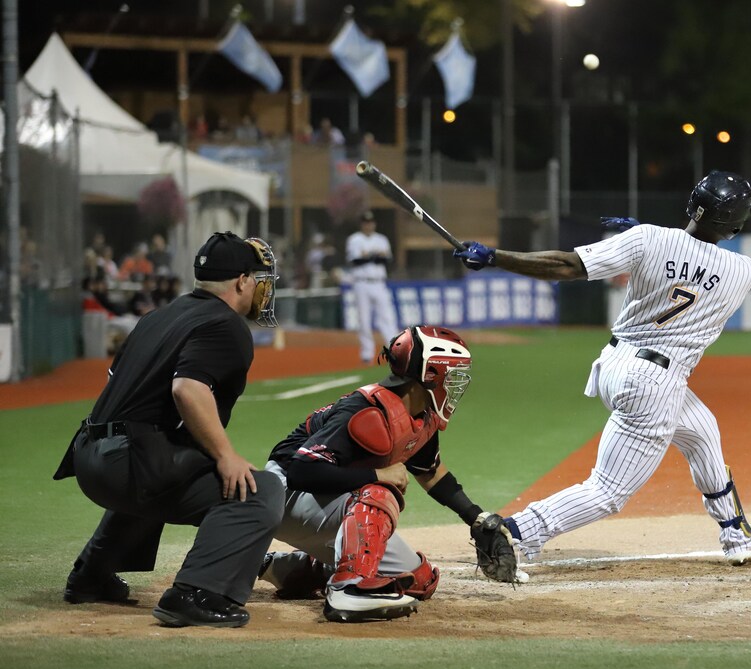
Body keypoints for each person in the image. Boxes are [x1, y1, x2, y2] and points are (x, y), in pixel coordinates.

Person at [453, 170, 751, 569]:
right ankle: (512, 531)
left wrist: (495, 257)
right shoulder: (741, 271)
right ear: (733, 225)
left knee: (702, 432)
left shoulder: (647, 239)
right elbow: (686, 258)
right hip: (655, 381)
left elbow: (565, 266)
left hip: (615, 363)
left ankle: (736, 535)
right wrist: (645, 237)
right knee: (608, 490)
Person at [55, 232, 284, 628]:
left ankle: (91, 575)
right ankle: (196, 592)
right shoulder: (225, 324)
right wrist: (226, 456)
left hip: (89, 458)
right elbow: (187, 389)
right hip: (126, 463)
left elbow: (118, 381)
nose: (262, 286)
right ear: (241, 281)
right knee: (259, 490)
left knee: (168, 466)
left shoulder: (158, 317)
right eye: (257, 277)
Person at [258, 325, 512, 622]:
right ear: (430, 374)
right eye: (453, 374)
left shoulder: (420, 413)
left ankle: (290, 570)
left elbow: (430, 473)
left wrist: (477, 519)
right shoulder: (366, 410)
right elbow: (302, 470)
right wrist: (378, 474)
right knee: (380, 491)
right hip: (283, 496)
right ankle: (348, 590)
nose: (457, 383)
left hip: (324, 502)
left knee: (419, 581)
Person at [346, 211, 400, 364]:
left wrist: (368, 256)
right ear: (361, 224)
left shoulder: (381, 239)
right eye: (365, 222)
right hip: (361, 282)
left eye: (370, 222)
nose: (368, 225)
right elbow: (355, 261)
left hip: (379, 282)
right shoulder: (354, 239)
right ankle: (366, 353)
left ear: (374, 224)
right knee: (364, 319)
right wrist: (374, 256)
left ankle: (395, 350)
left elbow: (386, 260)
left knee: (387, 317)